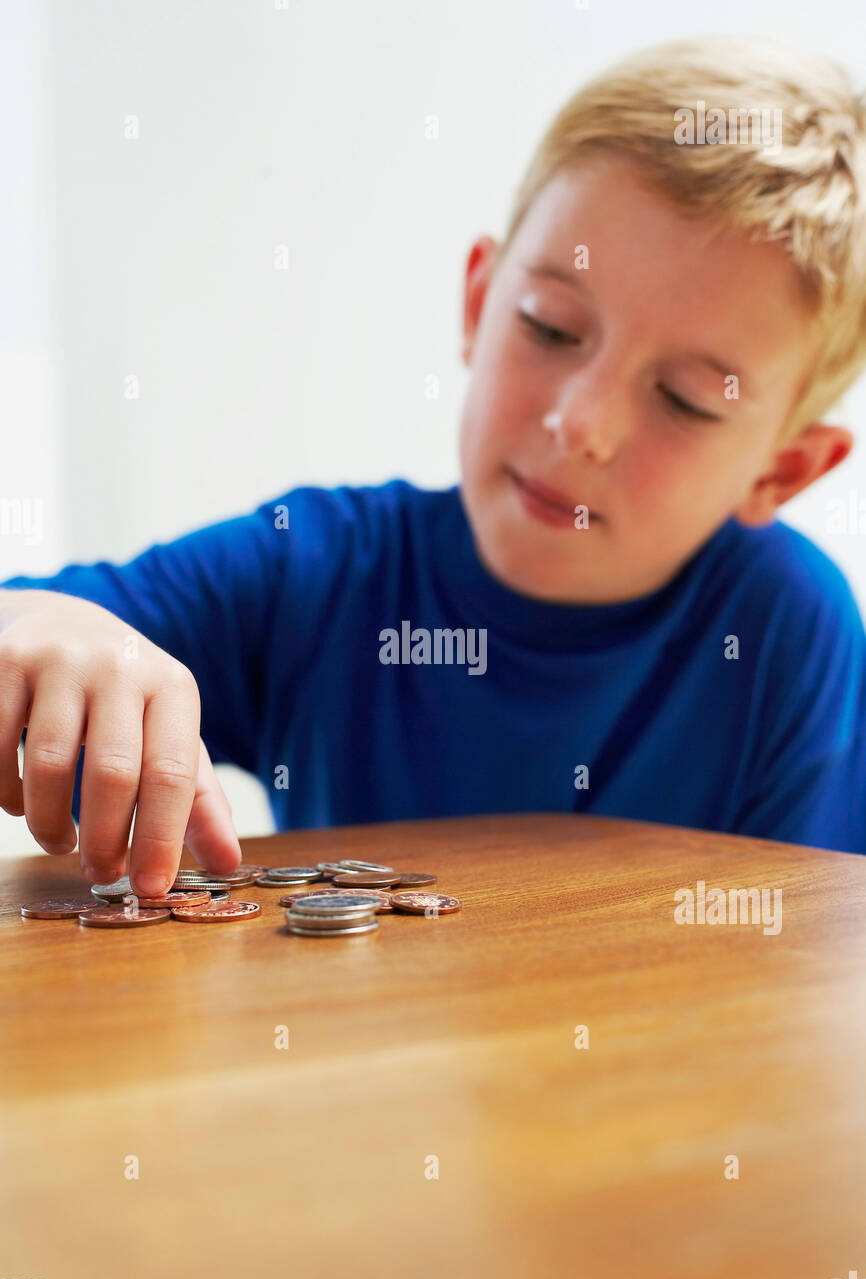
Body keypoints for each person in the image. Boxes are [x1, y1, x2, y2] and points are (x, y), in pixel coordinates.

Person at [2, 35, 866, 897]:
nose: (580, 424)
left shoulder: (787, 630)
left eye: (685, 399)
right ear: (480, 302)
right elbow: (30, 645)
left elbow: (800, 985)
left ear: (782, 472)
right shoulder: (314, 567)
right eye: (549, 327)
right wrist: (45, 633)